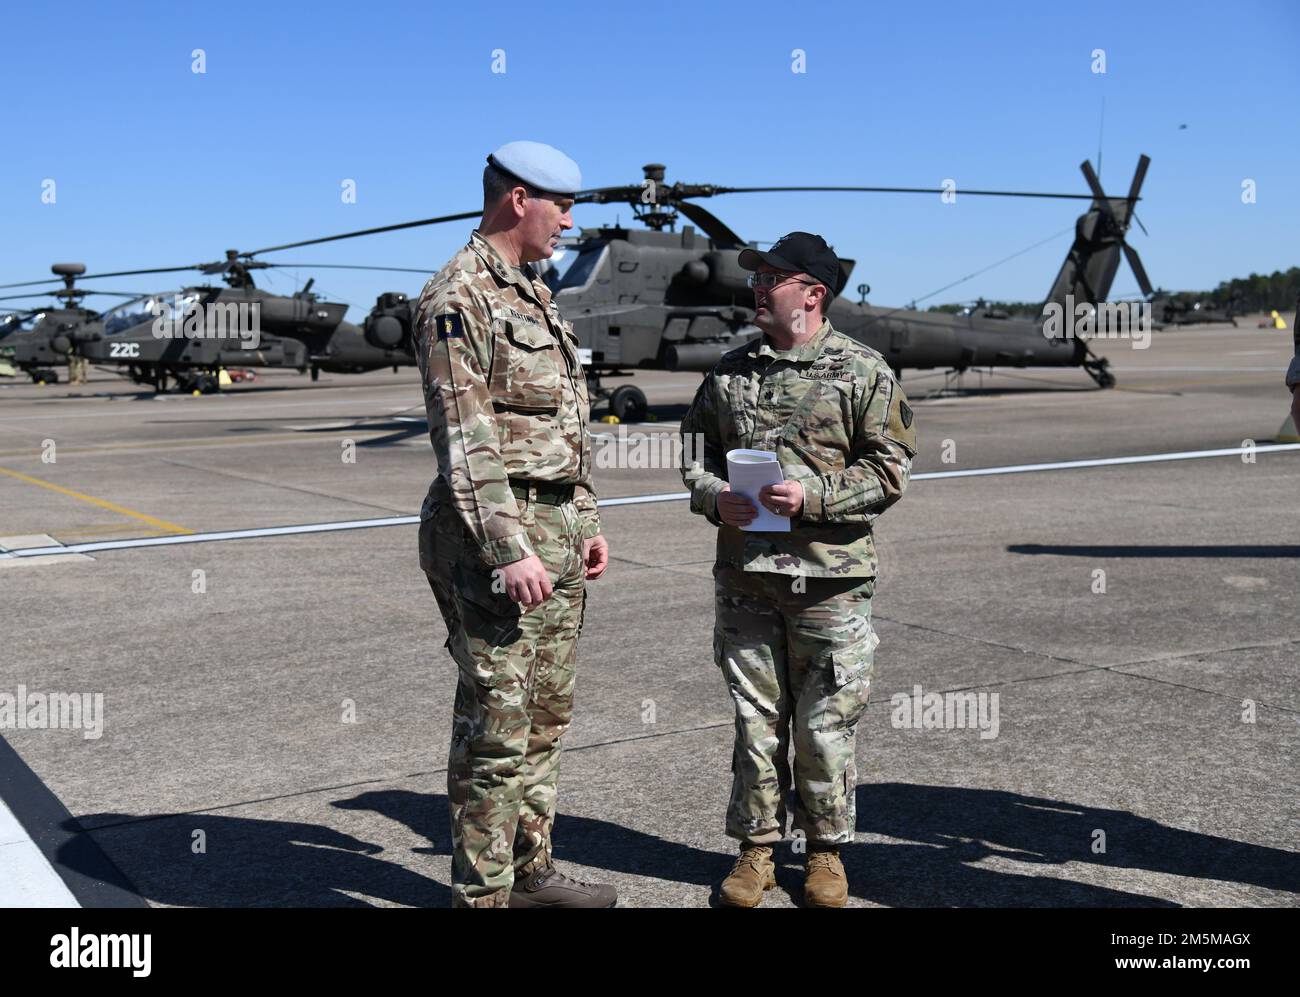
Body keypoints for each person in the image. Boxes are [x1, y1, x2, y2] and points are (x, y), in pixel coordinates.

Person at [679, 231, 917, 908]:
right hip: (747, 579)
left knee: (822, 726)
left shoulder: (862, 370)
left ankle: (825, 853)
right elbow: (695, 451)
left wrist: (813, 496)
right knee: (756, 724)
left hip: (830, 582)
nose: (757, 286)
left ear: (812, 294)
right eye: (756, 278)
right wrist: (710, 495)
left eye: (772, 278)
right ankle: (755, 851)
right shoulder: (729, 372)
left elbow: (890, 468)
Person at [413, 141, 614, 908]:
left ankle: (531, 873)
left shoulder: (532, 290)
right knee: (496, 727)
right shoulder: (457, 298)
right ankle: (483, 897)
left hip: (557, 526)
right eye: (561, 204)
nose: (569, 219)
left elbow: (565, 422)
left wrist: (585, 514)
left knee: (544, 715)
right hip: (493, 539)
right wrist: (510, 548)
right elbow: (465, 441)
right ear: (518, 199)